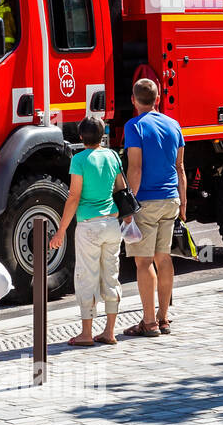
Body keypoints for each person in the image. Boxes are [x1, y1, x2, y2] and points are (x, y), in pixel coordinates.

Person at [51, 116, 129, 346]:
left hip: (89, 226)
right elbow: (121, 188)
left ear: (81, 136)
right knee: (111, 277)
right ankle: (109, 331)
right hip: (112, 223)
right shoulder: (113, 156)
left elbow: (74, 197)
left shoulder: (79, 160)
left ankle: (86, 333)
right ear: (101, 134)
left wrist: (61, 230)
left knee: (87, 278)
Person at [122, 78, 186, 337]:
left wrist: (129, 204)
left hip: (146, 201)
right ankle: (164, 318)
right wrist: (183, 201)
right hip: (171, 199)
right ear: (158, 98)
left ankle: (148, 322)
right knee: (164, 258)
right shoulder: (174, 125)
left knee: (144, 261)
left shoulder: (134, 126)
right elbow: (180, 167)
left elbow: (135, 168)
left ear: (133, 100)